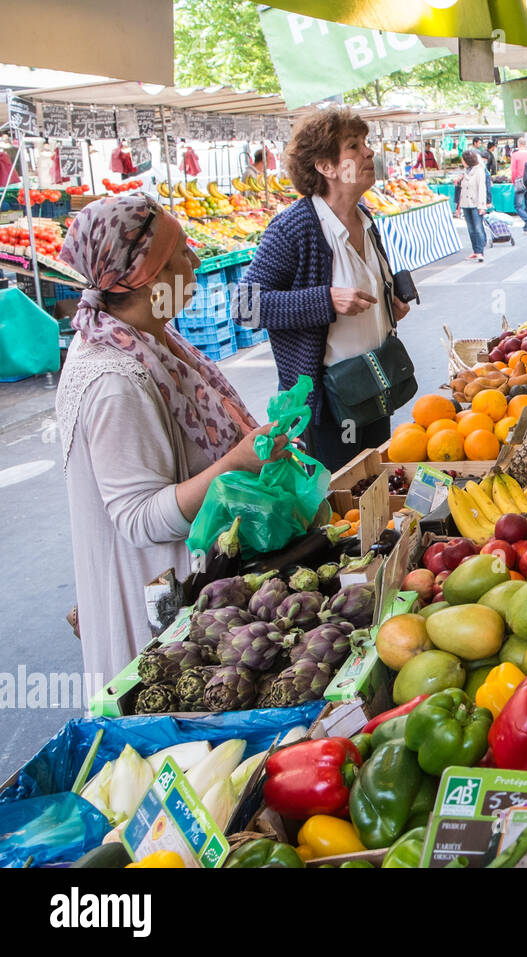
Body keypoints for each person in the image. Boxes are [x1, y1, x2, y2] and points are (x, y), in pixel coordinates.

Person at [54, 194, 289, 680]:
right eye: (182, 251)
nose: (198, 262)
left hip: (195, 588)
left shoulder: (152, 337)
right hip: (160, 618)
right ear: (147, 277)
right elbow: (139, 519)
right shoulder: (115, 379)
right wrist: (237, 463)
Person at [239, 108, 411, 472]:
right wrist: (326, 300)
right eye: (354, 146)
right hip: (327, 407)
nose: (369, 153)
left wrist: (386, 303)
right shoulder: (294, 228)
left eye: (365, 143)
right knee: (341, 505)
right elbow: (245, 307)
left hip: (374, 387)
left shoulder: (366, 219)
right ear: (326, 167)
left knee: (376, 488)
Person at [459, 147, 489, 262]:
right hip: (466, 204)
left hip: (476, 204)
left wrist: (482, 206)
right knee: (471, 229)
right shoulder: (465, 172)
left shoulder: (479, 171)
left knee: (478, 228)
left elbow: (482, 189)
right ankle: (475, 251)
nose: (462, 162)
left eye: (463, 159)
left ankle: (480, 251)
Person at [510, 137, 527, 232]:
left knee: (517, 205)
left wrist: (513, 181)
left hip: (519, 180)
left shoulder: (515, 155)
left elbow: (513, 170)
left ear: (518, 144)